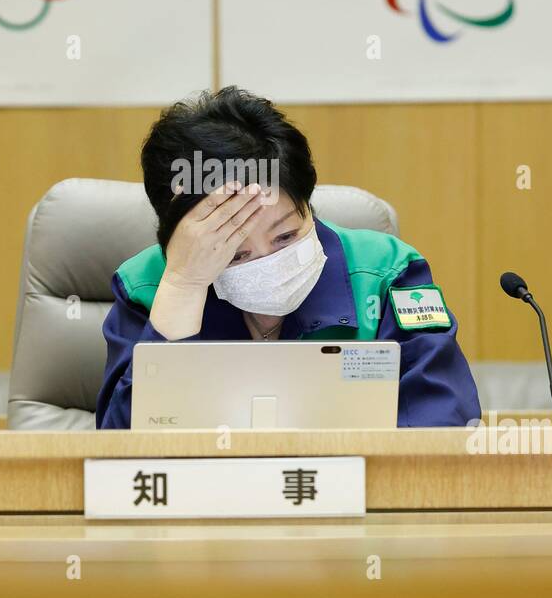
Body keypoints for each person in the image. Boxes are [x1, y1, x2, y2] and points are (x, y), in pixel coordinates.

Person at [96, 87, 480, 428]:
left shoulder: (387, 272)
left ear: (307, 205)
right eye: (234, 251)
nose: (266, 261)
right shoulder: (147, 286)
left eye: (285, 236)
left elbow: (443, 427)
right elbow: (117, 453)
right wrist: (183, 287)